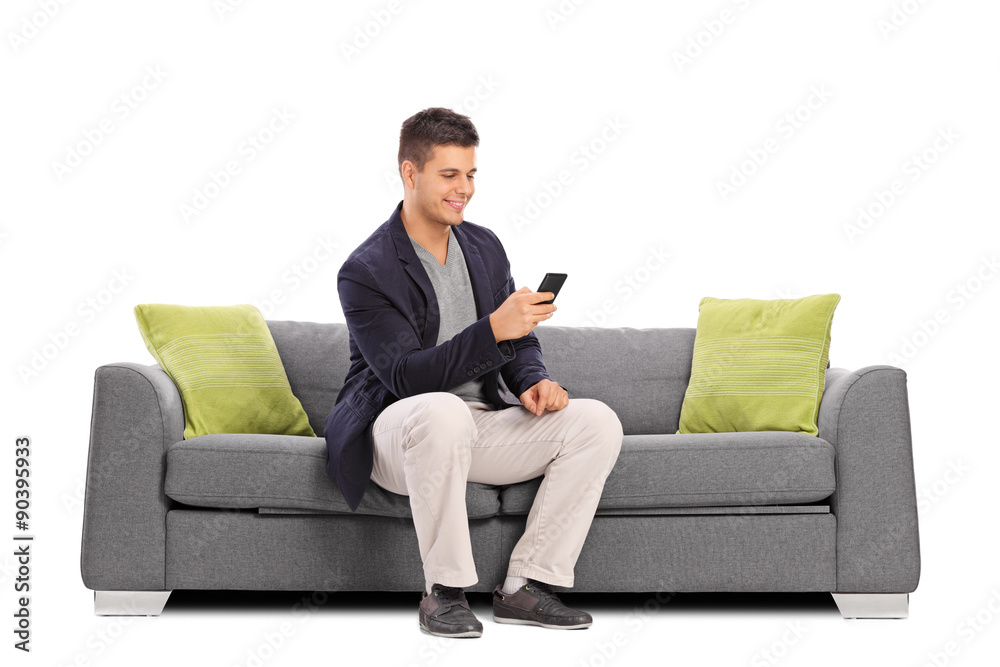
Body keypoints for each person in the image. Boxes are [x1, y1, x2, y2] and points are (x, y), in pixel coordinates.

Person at [323, 107, 623, 638]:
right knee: (441, 411)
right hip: (398, 432)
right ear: (410, 174)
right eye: (449, 175)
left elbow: (519, 336)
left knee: (595, 420)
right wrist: (492, 329)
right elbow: (407, 379)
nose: (464, 189)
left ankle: (526, 587)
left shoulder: (483, 246)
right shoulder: (366, 270)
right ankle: (445, 593)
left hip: (478, 425)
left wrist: (533, 380)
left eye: (471, 174)